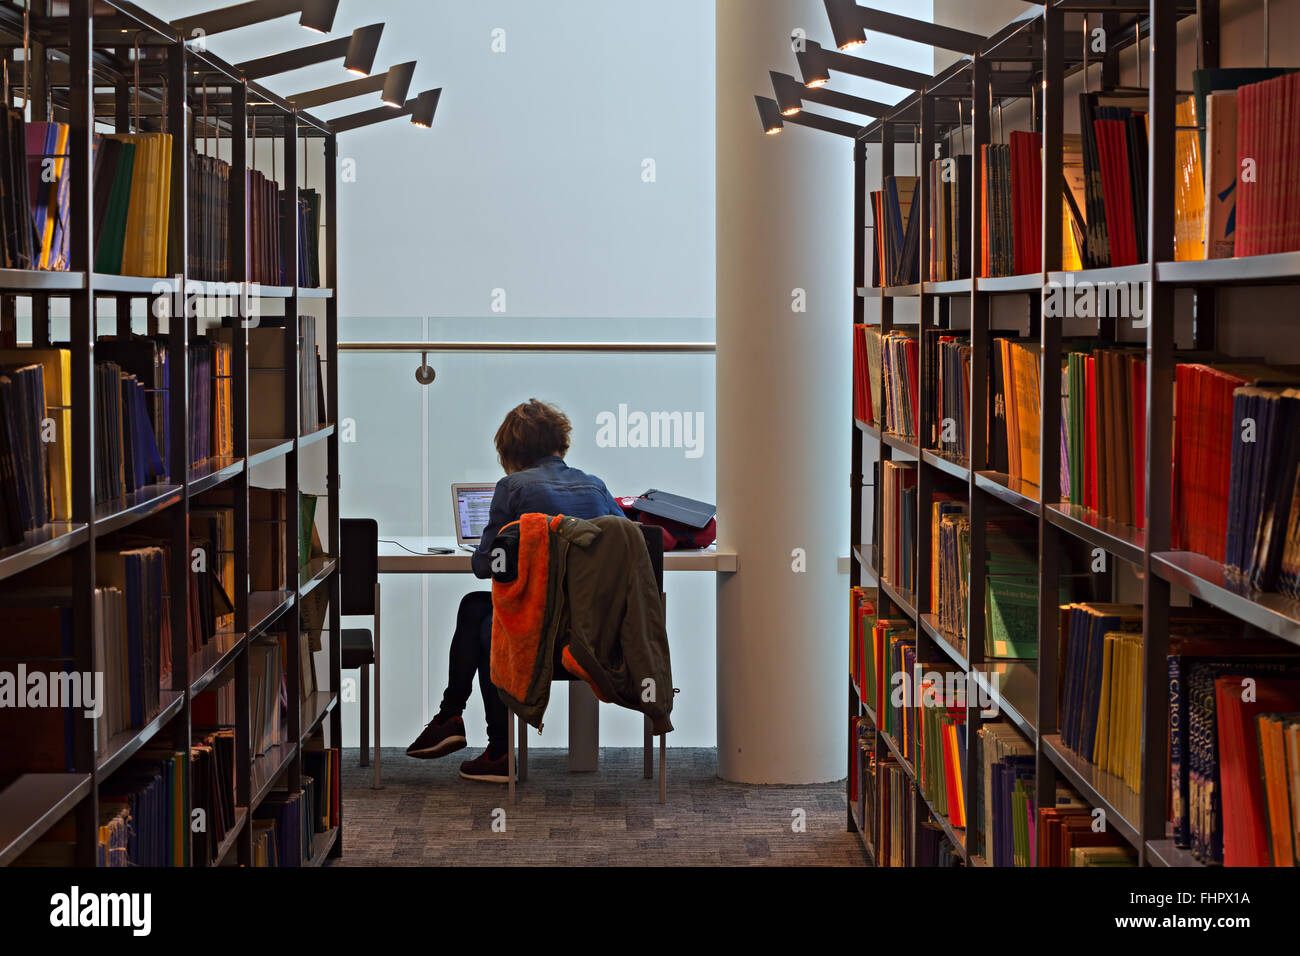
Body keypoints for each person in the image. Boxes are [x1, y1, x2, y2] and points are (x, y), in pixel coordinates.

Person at [405, 399, 625, 782]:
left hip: (542, 633)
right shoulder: (596, 486)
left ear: (511, 450)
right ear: (560, 442)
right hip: (595, 627)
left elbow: (484, 565)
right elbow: (626, 543)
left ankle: (487, 741)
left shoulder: (513, 488)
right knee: (476, 608)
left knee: (488, 619)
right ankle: (455, 719)